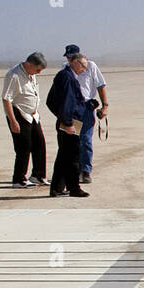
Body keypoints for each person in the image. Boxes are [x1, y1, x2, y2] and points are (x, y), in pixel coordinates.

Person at [46, 56, 91, 198]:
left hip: (72, 121)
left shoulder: (68, 76)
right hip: (70, 123)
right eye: (83, 66)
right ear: (75, 63)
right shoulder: (66, 77)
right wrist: (67, 122)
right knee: (72, 156)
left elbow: (58, 101)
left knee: (64, 156)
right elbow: (65, 102)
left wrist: (87, 105)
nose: (84, 69)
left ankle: (57, 188)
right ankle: (74, 188)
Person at [63, 43, 108, 184]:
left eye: (71, 57)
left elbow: (101, 85)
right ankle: (74, 170)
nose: (69, 60)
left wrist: (105, 106)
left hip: (86, 109)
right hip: (73, 110)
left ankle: (86, 170)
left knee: (86, 140)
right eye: (68, 57)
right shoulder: (65, 69)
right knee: (73, 140)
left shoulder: (91, 66)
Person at [2, 53, 48, 187]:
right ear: (29, 64)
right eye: (38, 69)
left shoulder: (31, 74)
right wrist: (12, 121)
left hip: (33, 115)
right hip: (19, 113)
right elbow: (6, 99)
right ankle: (18, 178)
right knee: (23, 147)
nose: (38, 73)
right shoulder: (14, 75)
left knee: (39, 143)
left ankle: (38, 175)